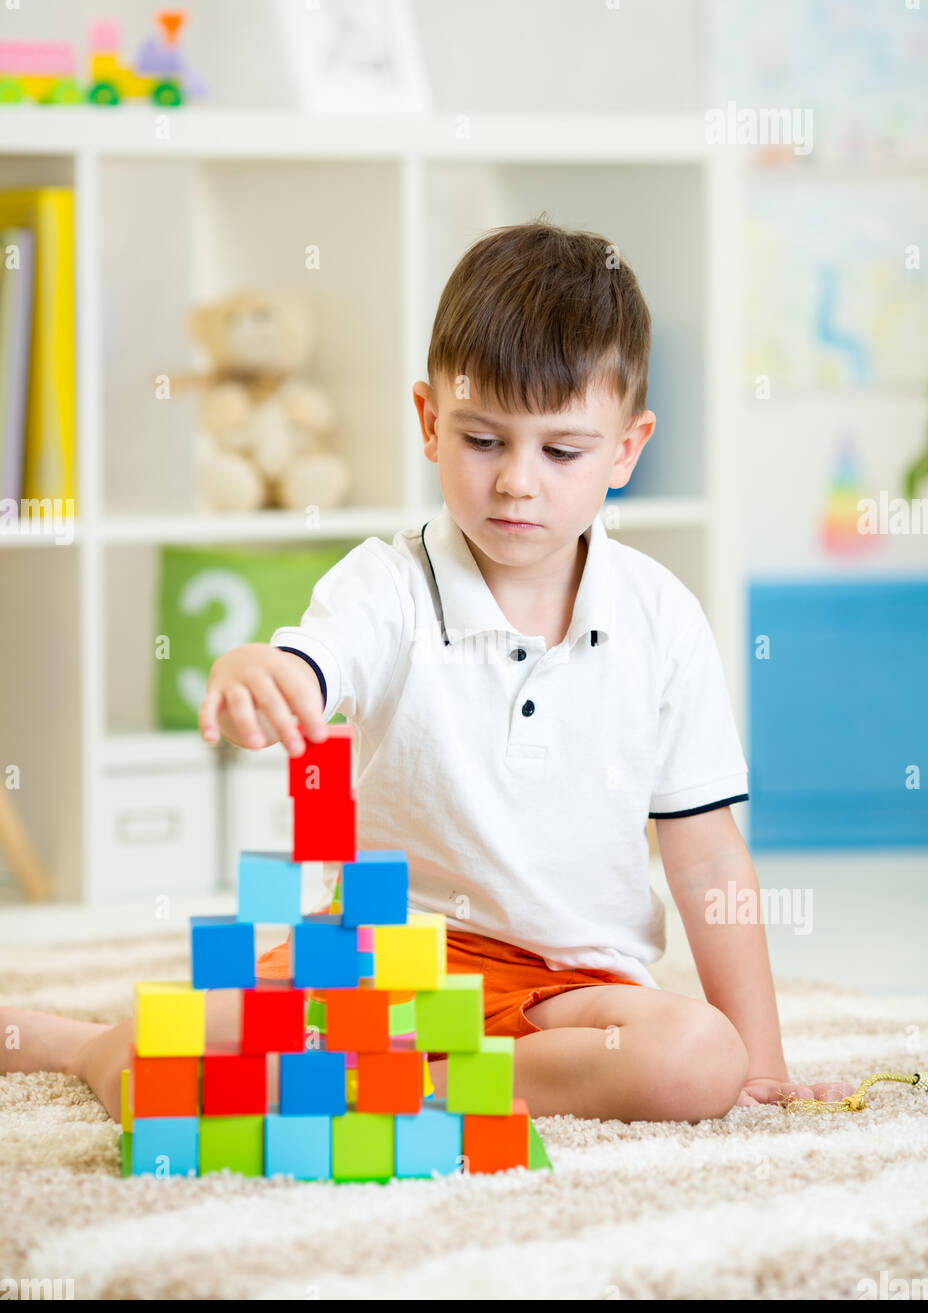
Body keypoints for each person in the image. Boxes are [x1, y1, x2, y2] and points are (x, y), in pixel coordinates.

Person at [1, 220, 851, 1123]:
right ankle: (78, 1043)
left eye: (561, 451)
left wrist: (761, 1061)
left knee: (697, 1059)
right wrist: (267, 674)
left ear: (626, 450)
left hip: (567, 995)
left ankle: (389, 1090)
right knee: (157, 1064)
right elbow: (315, 662)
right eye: (484, 441)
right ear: (429, 421)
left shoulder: (663, 617)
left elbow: (709, 853)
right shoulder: (389, 584)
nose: (518, 482)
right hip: (380, 961)